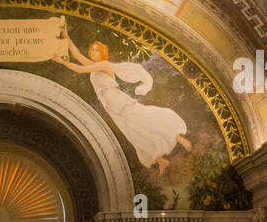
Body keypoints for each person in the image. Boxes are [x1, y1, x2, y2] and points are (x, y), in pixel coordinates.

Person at [55, 33, 192, 176]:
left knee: (145, 118)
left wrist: (63, 62)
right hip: (110, 105)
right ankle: (160, 160)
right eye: (92, 50)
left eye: (96, 50)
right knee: (133, 133)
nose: (93, 53)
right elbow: (77, 55)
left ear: (102, 53)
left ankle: (178, 137)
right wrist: (66, 37)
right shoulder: (95, 66)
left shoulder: (104, 64)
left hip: (118, 100)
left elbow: (80, 69)